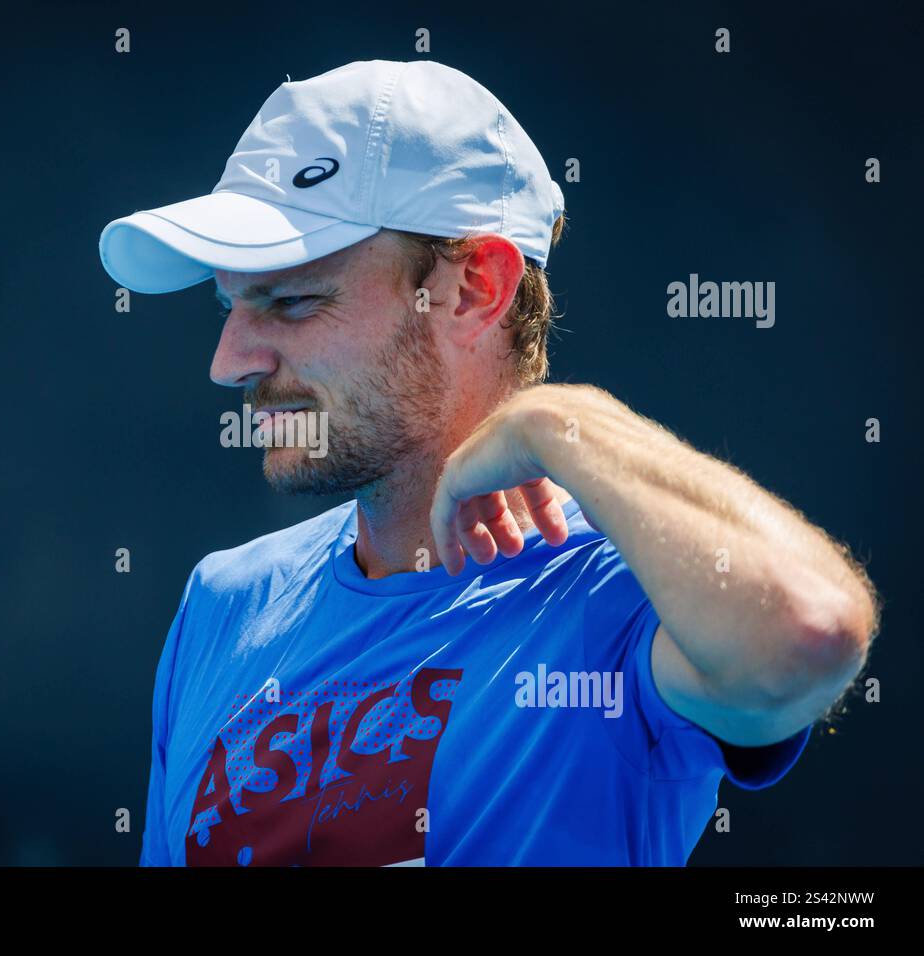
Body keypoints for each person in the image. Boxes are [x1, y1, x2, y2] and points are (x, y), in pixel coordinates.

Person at [98, 59, 878, 866]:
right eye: (230, 306)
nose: (230, 362)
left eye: (293, 300)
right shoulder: (224, 601)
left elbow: (809, 637)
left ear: (476, 288)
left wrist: (567, 421)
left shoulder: (614, 591)